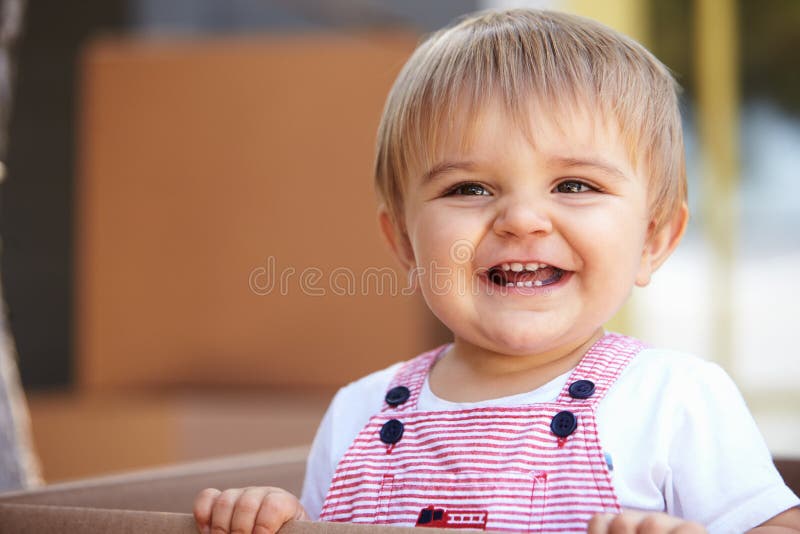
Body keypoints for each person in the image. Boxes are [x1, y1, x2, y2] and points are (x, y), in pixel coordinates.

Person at [193, 8, 800, 534]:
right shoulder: (359, 414)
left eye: (574, 184)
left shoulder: (674, 399)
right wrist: (276, 520)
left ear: (653, 238)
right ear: (405, 242)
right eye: (470, 187)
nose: (523, 219)